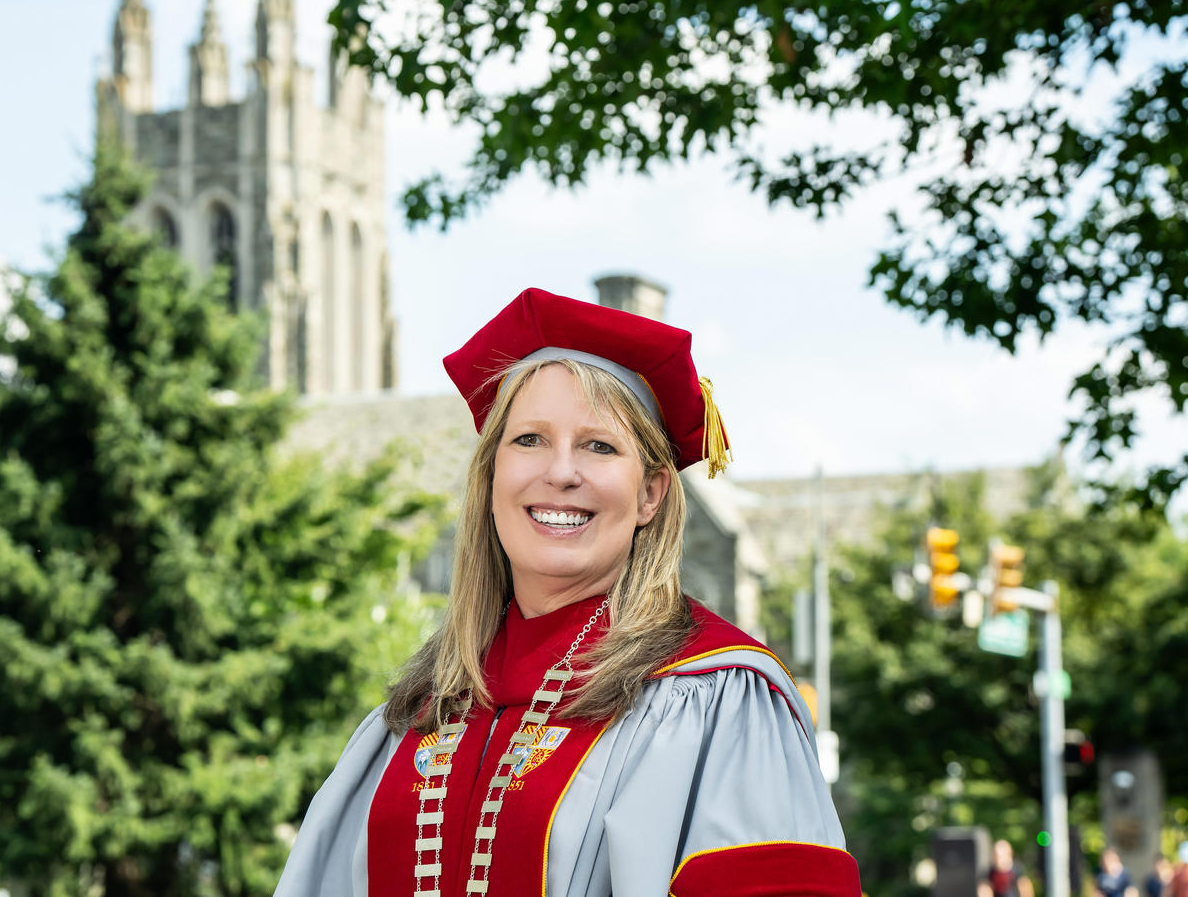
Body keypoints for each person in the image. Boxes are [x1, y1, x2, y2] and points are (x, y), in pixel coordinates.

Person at [274, 288, 859, 896]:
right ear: (493, 474)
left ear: (651, 493)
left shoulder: (714, 700)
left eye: (598, 446)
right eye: (528, 440)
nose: (559, 472)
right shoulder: (419, 712)